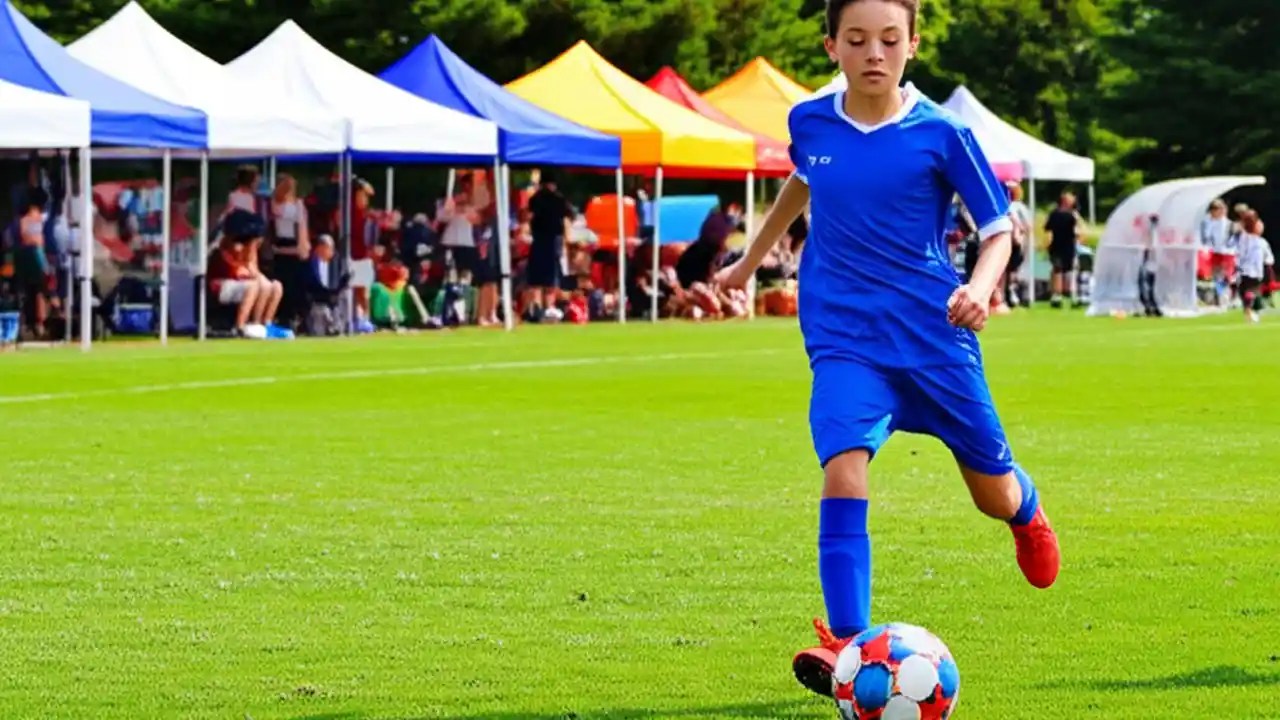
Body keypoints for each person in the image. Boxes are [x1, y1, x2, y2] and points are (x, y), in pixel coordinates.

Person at [713, 0, 1060, 698]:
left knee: (989, 491)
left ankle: (1025, 509)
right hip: (843, 336)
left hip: (935, 334)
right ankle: (846, 644)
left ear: (912, 46)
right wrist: (747, 265)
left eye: (890, 39)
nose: (875, 52)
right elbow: (803, 182)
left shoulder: (942, 133)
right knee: (843, 465)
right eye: (858, 39)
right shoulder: (809, 122)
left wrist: (981, 288)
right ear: (831, 46)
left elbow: (999, 229)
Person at [525, 173, 573, 320]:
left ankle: (537, 308)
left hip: (539, 240)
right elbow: (567, 218)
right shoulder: (559, 199)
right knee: (552, 277)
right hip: (554, 241)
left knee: (537, 277)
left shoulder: (535, 198)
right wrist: (567, 240)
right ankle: (549, 308)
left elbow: (529, 217)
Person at [1045, 191, 1084, 308]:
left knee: (1068, 271)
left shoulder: (1070, 215)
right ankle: (1058, 295)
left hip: (1068, 246)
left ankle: (1070, 294)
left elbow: (1079, 231)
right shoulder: (1060, 215)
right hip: (1059, 245)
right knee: (1058, 270)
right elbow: (1048, 230)